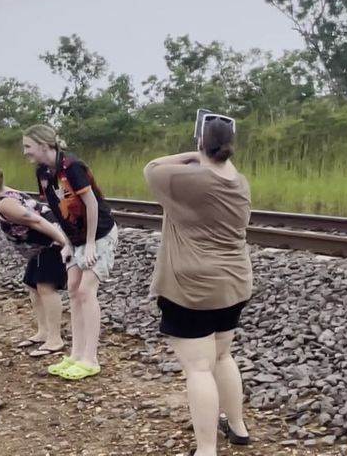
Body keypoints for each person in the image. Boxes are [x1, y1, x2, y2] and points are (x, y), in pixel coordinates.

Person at [143, 117, 254, 455]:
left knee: (199, 368)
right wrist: (207, 152)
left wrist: (192, 154)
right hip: (233, 282)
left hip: (191, 286)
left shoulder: (187, 179)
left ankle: (206, 449)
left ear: (200, 142)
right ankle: (238, 427)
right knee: (222, 355)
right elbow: (221, 166)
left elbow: (152, 168)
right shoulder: (239, 181)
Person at [22, 125, 117, 381]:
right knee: (73, 289)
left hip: (99, 234)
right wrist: (67, 243)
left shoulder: (72, 167)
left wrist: (91, 243)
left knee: (86, 290)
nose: (25, 152)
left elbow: (92, 204)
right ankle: (76, 354)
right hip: (75, 239)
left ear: (44, 145)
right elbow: (55, 207)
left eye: (28, 146)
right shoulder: (43, 172)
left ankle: (91, 358)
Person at [0, 163, 72, 357]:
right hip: (39, 248)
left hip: (50, 244)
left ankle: (55, 338)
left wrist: (63, 242)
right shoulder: (7, 194)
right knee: (32, 284)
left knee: (46, 287)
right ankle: (43, 331)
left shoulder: (6, 203)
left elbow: (37, 221)